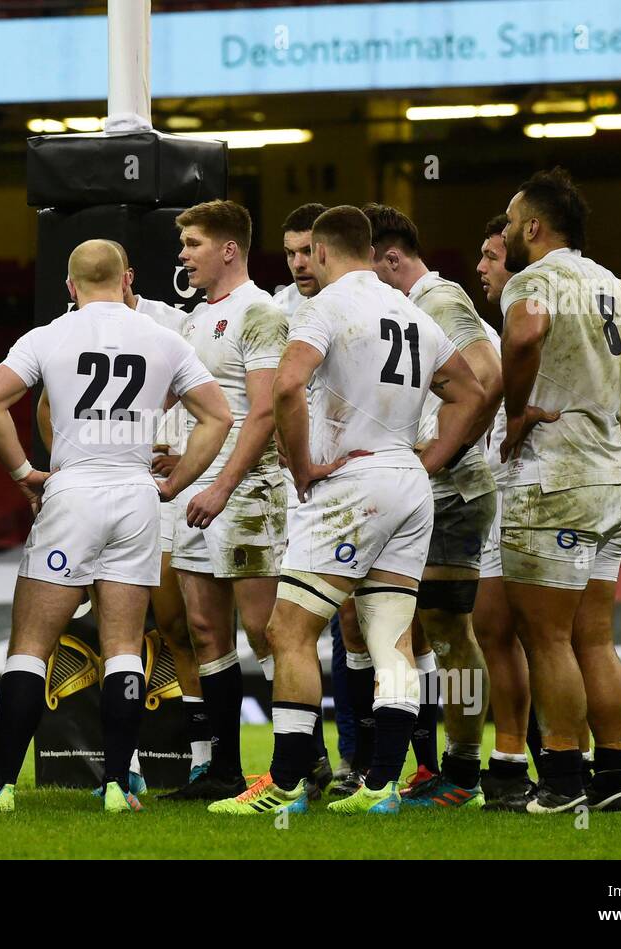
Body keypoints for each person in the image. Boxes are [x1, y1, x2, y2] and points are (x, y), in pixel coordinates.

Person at [208, 205, 484, 816]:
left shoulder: (326, 308)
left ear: (326, 252)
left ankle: (283, 784)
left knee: (289, 630)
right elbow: (472, 392)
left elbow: (285, 386)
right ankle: (382, 783)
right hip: (408, 484)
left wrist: (302, 465)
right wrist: (432, 457)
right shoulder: (413, 314)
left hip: (351, 482)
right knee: (392, 638)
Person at [0, 239, 232, 814]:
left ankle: (0, 789)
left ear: (70, 287)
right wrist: (177, 482)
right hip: (137, 496)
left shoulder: (49, 336)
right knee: (124, 651)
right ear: (127, 280)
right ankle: (115, 786)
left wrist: (21, 472)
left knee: (30, 650)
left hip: (73, 490)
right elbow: (220, 415)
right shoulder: (164, 339)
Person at [499, 167, 621, 812]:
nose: (504, 230)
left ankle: (560, 781)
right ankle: (614, 779)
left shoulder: (535, 281)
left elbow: (524, 334)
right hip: (613, 481)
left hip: (556, 477)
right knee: (594, 637)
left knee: (549, 638)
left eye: (508, 220)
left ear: (532, 226)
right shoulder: (613, 285)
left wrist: (518, 408)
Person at [36, 244, 204, 793]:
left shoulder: (171, 323)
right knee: (116, 633)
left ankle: (202, 756)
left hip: (158, 493)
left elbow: (210, 402)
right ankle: (123, 771)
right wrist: (65, 462)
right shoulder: (70, 326)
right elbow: (44, 408)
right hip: (124, 491)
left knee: (180, 627)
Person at [362, 203, 503, 808]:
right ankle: (429, 765)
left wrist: (436, 457)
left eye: (367, 270)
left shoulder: (439, 302)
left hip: (451, 492)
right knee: (413, 626)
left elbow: (489, 377)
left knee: (449, 631)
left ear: (392, 260)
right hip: (425, 489)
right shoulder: (407, 309)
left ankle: (466, 772)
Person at [161, 200, 289, 802]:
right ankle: (224, 770)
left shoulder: (261, 313)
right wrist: (183, 467)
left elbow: (264, 411)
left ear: (228, 249)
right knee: (207, 631)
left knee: (265, 632)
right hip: (198, 494)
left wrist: (221, 485)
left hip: (248, 491)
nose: (183, 254)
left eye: (192, 243)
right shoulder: (191, 320)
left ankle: (299, 763)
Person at [271, 201, 345, 795]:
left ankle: (372, 764)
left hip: (353, 482)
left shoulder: (348, 306)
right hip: (301, 492)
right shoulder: (280, 309)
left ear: (325, 249)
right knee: (298, 629)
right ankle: (318, 761)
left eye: (306, 251)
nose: (298, 263)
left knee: (366, 627)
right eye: (289, 252)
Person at [472, 213, 542, 809]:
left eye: (492, 256)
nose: (482, 268)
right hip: (502, 495)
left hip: (538, 494)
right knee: (493, 628)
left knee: (549, 637)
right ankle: (513, 764)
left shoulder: (531, 330)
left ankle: (563, 767)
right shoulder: (502, 334)